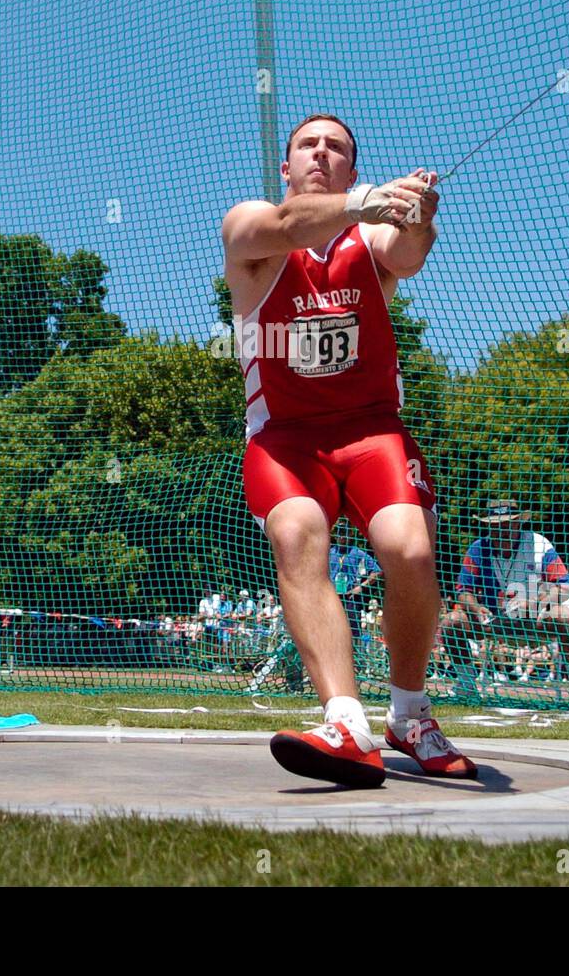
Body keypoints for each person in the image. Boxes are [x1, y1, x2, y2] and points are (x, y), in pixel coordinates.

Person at [222, 112, 473, 787]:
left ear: (352, 168)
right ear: (287, 166)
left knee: (411, 549)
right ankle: (345, 721)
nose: (321, 153)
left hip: (371, 430)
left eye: (336, 148)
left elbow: (409, 250)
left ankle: (409, 715)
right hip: (284, 438)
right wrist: (365, 201)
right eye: (309, 144)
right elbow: (280, 227)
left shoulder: (370, 238)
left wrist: (418, 213)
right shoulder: (252, 227)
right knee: (299, 535)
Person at [440, 500, 569, 702]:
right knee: (451, 621)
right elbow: (463, 591)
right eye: (494, 525)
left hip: (535, 623)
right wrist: (476, 608)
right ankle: (466, 684)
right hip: (493, 622)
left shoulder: (539, 544)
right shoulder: (477, 549)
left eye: (506, 524)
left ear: (518, 523)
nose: (500, 530)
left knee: (566, 617)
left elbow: (563, 587)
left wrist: (535, 603)